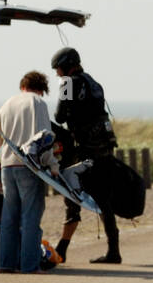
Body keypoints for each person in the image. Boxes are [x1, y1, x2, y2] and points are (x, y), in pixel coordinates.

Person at [50, 47, 122, 264]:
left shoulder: (67, 84)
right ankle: (113, 250)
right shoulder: (94, 83)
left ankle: (63, 249)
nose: (57, 74)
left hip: (85, 150)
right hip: (105, 147)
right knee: (103, 198)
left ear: (66, 65)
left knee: (71, 193)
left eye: (58, 69)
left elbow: (59, 116)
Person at [0, 72, 58, 273]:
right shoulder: (37, 103)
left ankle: (6, 264)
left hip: (7, 166)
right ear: (41, 89)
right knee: (30, 218)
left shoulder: (8, 104)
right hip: (29, 166)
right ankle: (29, 265)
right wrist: (52, 165)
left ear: (23, 86)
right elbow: (44, 137)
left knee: (9, 217)